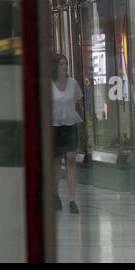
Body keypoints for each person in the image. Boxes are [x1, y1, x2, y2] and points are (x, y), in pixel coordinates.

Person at [52, 53, 84, 215]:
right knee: (57, 162)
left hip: (71, 125)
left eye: (65, 63)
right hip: (55, 126)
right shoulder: (49, 85)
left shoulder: (73, 83)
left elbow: (78, 103)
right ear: (55, 67)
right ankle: (55, 195)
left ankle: (72, 200)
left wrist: (82, 120)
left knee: (71, 160)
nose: (64, 66)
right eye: (61, 64)